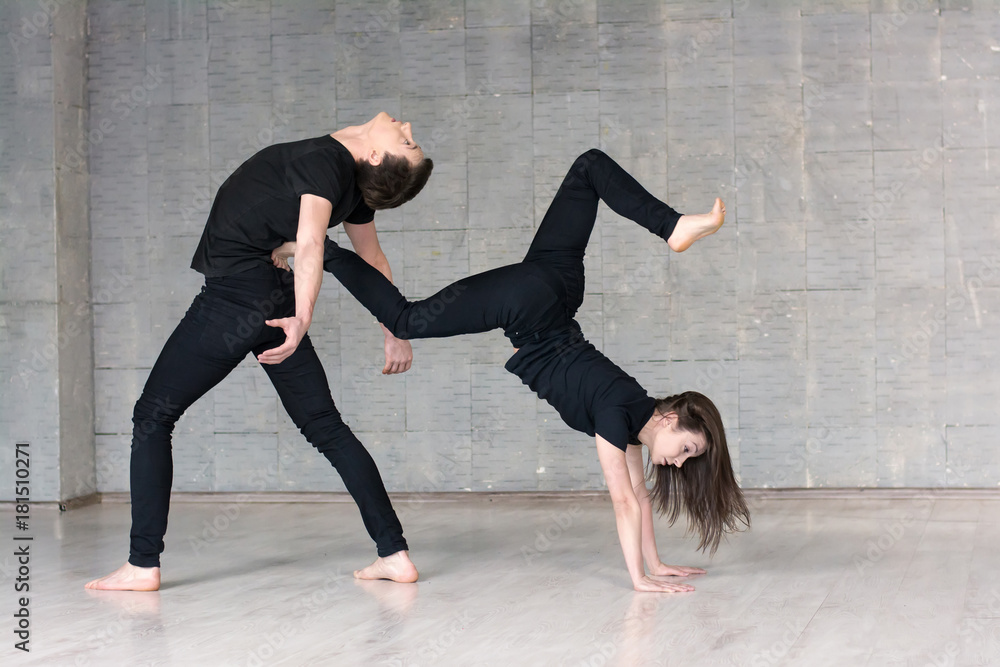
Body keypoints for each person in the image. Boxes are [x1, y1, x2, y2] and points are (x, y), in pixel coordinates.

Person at [274, 149, 750, 593]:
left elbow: (640, 499)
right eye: (687, 448)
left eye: (688, 459)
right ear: (670, 419)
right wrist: (640, 581)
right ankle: (324, 252)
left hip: (557, 287)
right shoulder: (614, 412)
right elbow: (623, 502)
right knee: (404, 319)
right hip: (531, 307)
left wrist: (657, 564)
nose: (681, 460)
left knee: (588, 167)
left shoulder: (633, 416)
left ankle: (674, 227)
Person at [86, 112, 434, 591]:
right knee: (326, 427)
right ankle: (394, 554)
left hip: (237, 299)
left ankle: (142, 563)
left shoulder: (324, 162)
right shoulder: (352, 180)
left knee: (152, 415)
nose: (407, 125)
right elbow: (371, 259)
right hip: (270, 296)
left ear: (376, 155)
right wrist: (394, 327)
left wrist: (302, 321)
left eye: (407, 140)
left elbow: (312, 244)